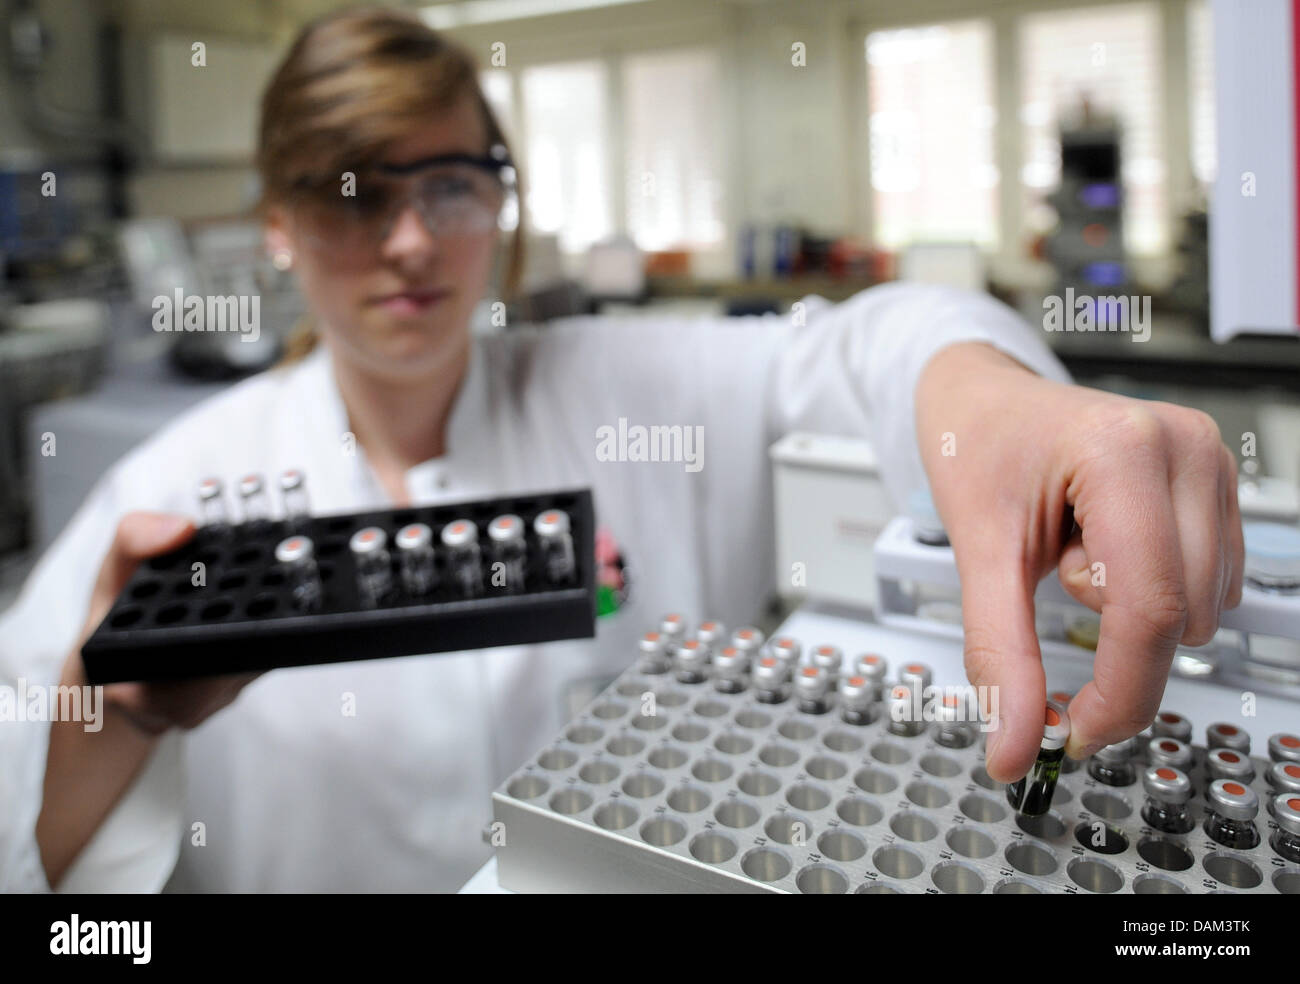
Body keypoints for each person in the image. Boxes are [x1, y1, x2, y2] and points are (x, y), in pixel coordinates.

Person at [0, 7, 1241, 892]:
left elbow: (869, 341)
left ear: (502, 197)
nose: (413, 242)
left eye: (449, 183)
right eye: (351, 193)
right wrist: (121, 718)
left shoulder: (632, 383)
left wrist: (999, 399)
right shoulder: (171, 492)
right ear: (274, 225)